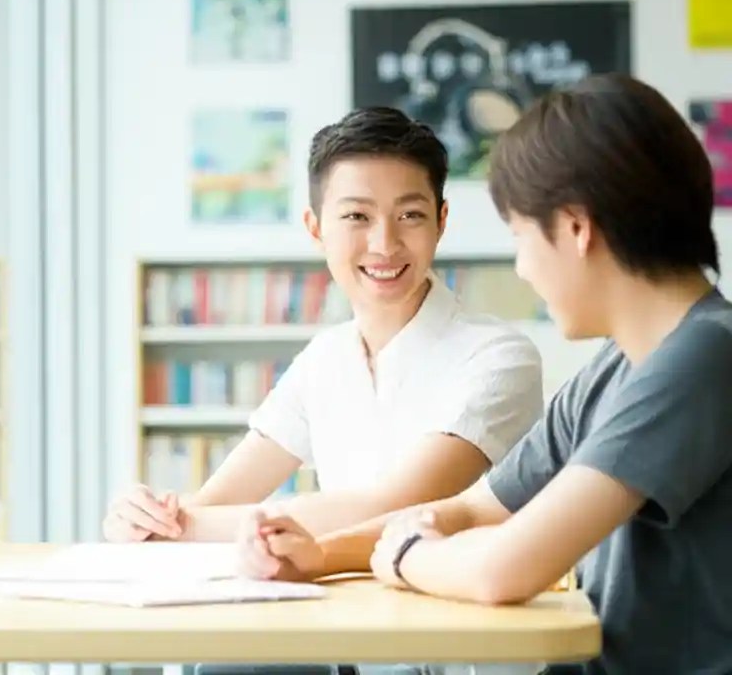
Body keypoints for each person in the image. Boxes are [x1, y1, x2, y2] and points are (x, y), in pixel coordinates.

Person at [240, 74, 732, 675]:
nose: (523, 269)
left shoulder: (705, 358)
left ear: (576, 228)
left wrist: (408, 554)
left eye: (522, 237)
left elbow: (503, 568)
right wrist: (320, 555)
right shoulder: (615, 369)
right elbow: (472, 511)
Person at [104, 107, 544, 547]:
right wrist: (142, 520)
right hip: (342, 609)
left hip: (464, 612)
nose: (384, 244)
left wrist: (181, 527)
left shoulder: (499, 356)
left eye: (410, 215)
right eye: (357, 217)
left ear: (441, 222)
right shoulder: (324, 360)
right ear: (316, 229)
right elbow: (213, 505)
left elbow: (396, 509)